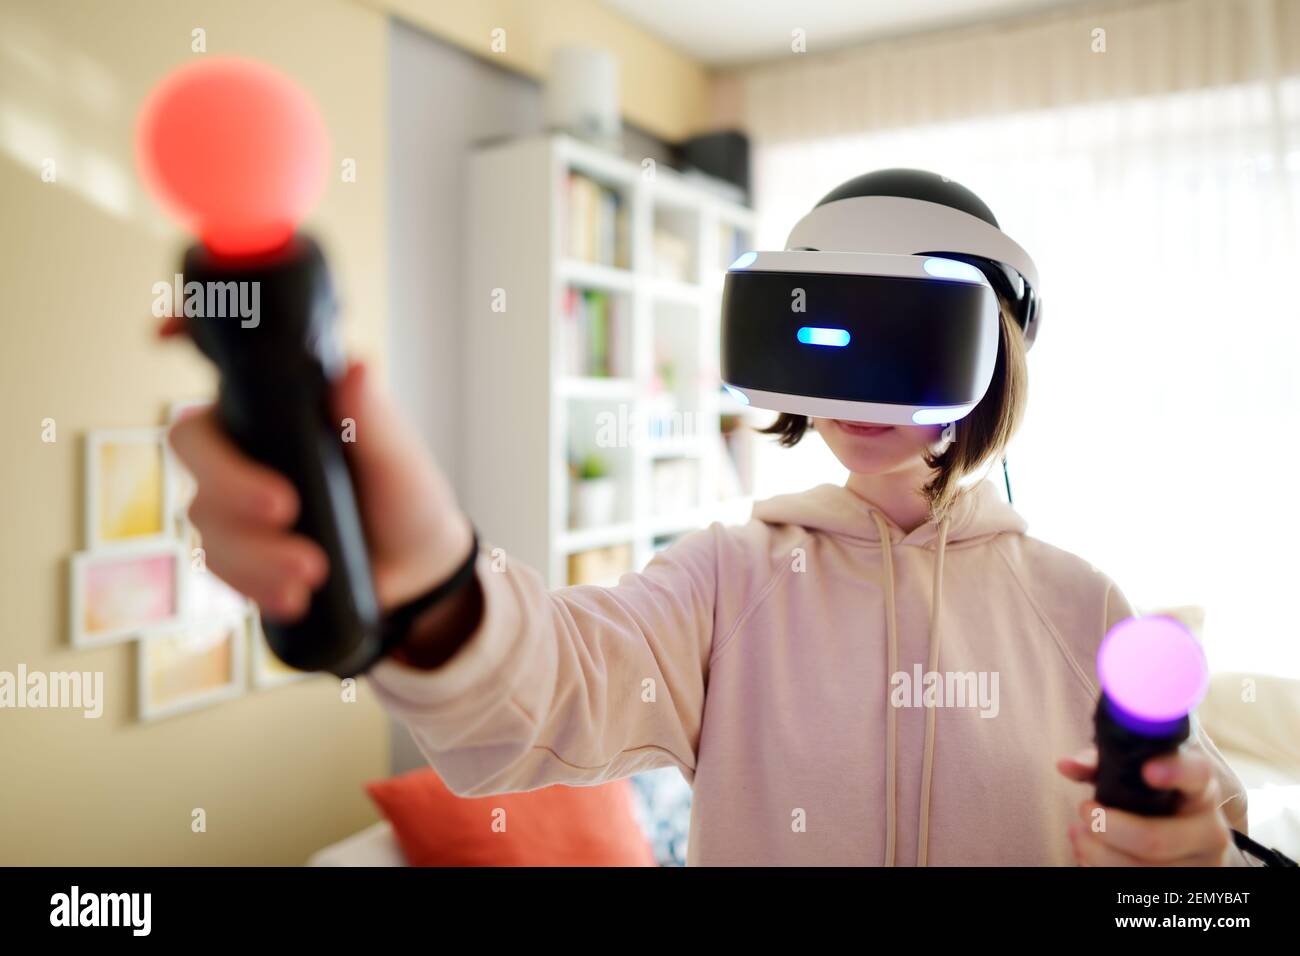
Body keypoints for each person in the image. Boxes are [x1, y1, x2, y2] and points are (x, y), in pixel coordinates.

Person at [167, 176, 1249, 866]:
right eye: (830, 330)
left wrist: (1196, 869)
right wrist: (426, 588)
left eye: (909, 339)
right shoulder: (725, 579)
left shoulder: (1080, 604)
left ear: (992, 359)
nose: (863, 391)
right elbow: (540, 693)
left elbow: (1209, 840)